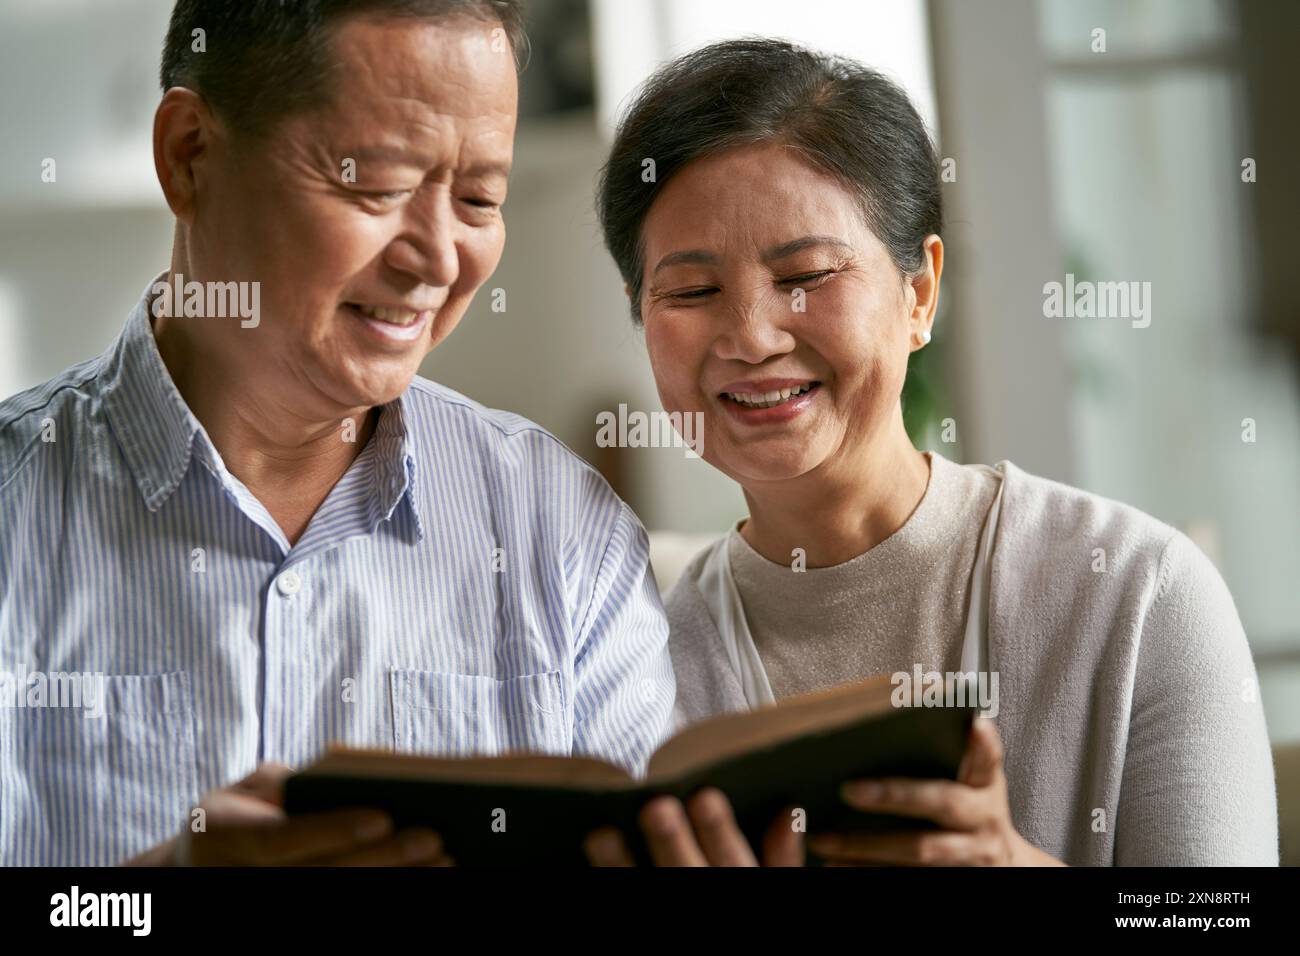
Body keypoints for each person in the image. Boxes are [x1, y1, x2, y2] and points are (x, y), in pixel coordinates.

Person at [0, 0, 675, 867]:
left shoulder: (563, 532)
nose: (436, 257)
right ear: (190, 155)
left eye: (478, 198)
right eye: (377, 186)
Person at [586, 38, 1279, 866]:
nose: (750, 338)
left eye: (805, 274)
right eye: (693, 291)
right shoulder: (633, 660)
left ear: (919, 293)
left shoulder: (1138, 594)